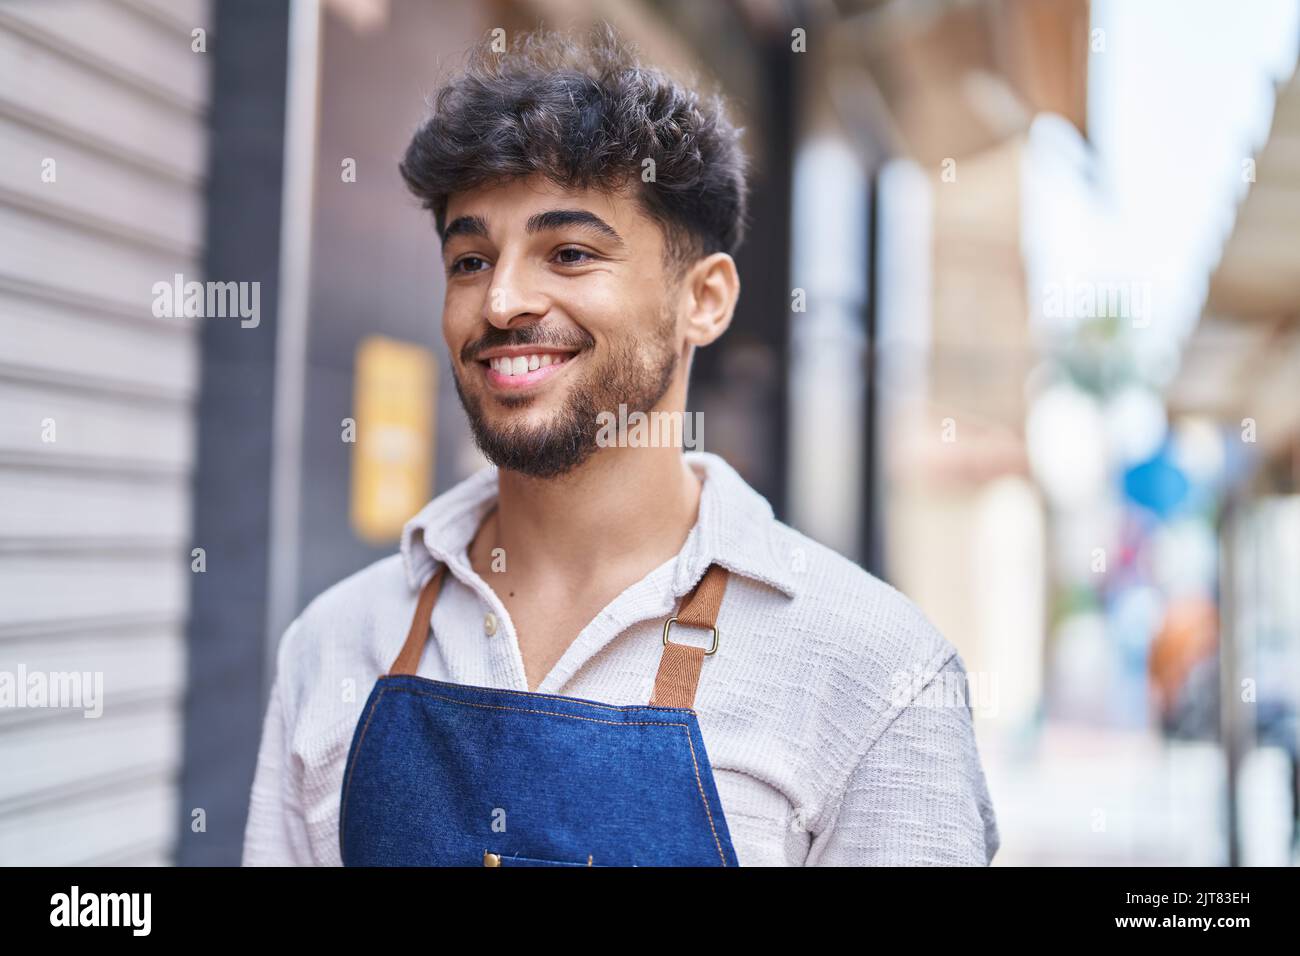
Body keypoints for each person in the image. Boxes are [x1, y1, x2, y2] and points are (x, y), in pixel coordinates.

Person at [242, 22, 999, 867]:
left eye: (568, 253)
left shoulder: (877, 677)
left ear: (703, 300)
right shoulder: (334, 643)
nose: (502, 302)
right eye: (469, 261)